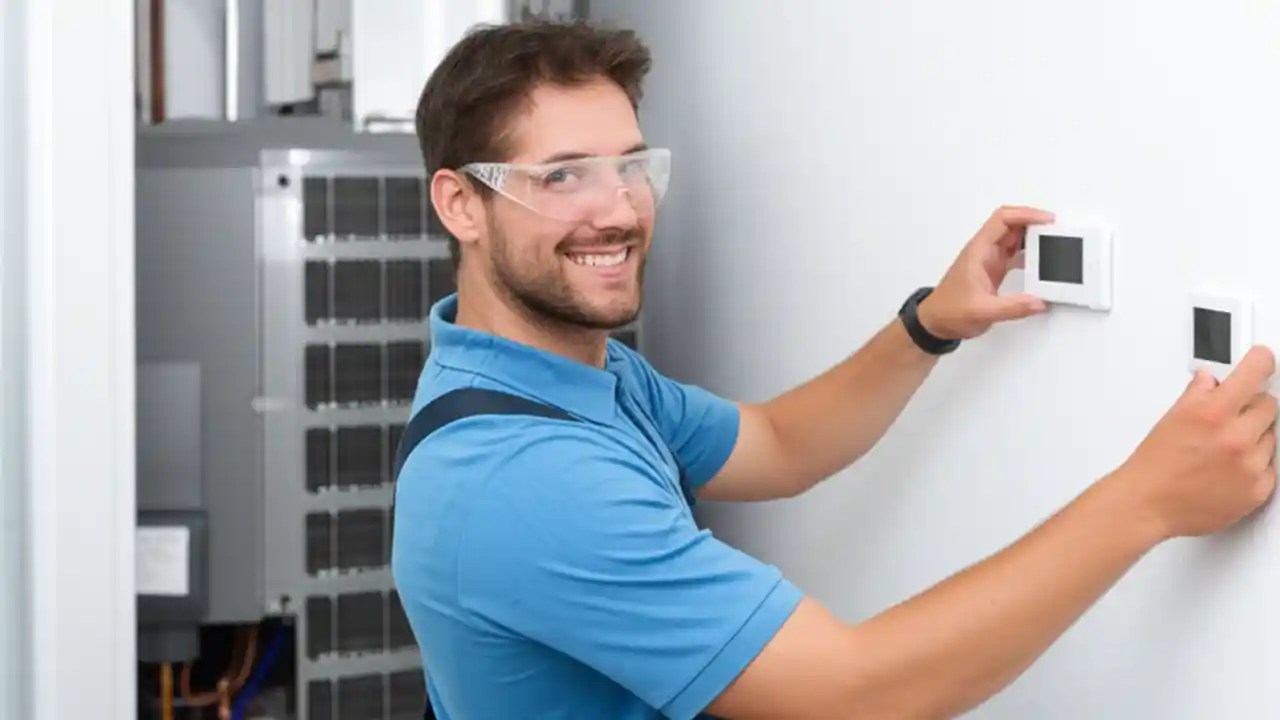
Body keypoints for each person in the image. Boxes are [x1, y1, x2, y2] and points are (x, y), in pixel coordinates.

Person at [389, 19, 1278, 720]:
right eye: (563, 176)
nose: (618, 208)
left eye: (630, 165)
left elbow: (777, 444)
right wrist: (1148, 500)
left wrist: (929, 324)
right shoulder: (525, 479)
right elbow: (861, 695)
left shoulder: (567, 373)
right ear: (462, 203)